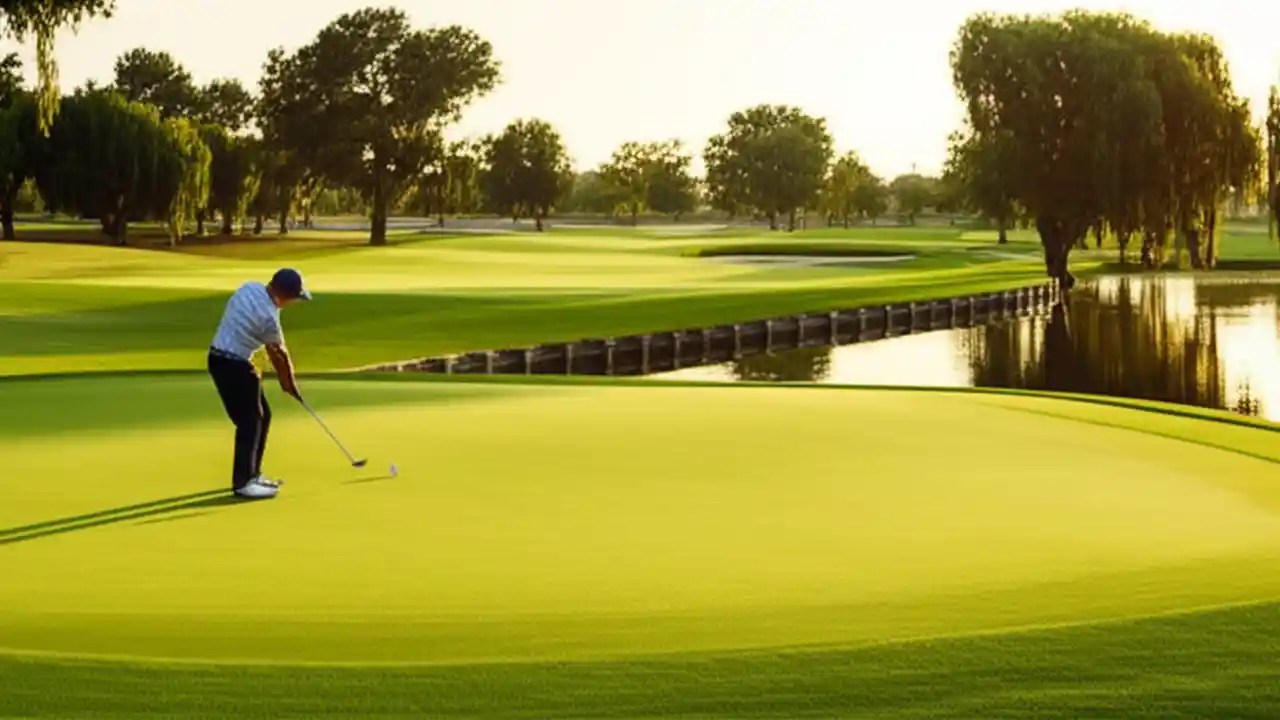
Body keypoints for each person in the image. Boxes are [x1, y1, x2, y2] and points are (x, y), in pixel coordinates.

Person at [208, 268, 311, 499]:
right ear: (286, 295)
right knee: (250, 422)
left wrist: (285, 382)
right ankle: (244, 483)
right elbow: (279, 355)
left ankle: (252, 474)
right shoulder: (269, 318)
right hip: (232, 365)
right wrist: (290, 385)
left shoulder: (249, 287)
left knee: (262, 416)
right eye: (295, 297)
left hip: (221, 360)